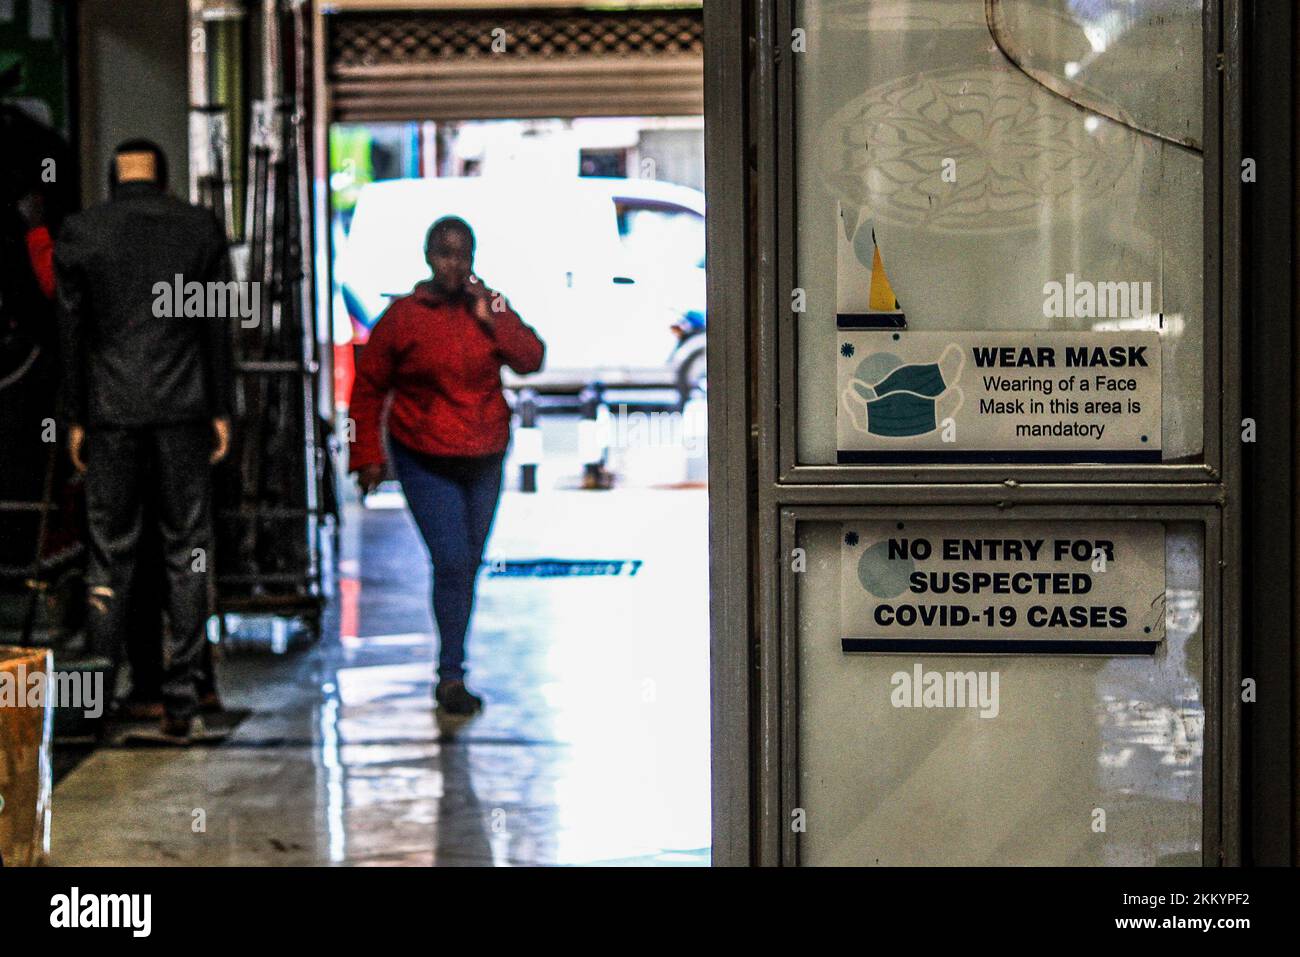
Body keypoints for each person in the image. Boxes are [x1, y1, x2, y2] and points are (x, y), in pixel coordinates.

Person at [54, 140, 234, 742]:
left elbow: (71, 335)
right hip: (183, 410)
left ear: (113, 175)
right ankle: (184, 699)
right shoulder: (198, 228)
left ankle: (99, 700)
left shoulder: (82, 232)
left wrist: (75, 416)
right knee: (188, 551)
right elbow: (217, 327)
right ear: (164, 175)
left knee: (110, 553)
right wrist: (221, 408)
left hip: (110, 414)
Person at [349, 216, 544, 715]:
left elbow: (530, 357)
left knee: (468, 565)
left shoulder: (491, 305)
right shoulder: (404, 317)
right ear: (428, 257)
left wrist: (491, 315)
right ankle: (451, 675)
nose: (454, 264)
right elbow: (368, 388)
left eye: (463, 254)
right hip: (424, 457)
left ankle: (454, 666)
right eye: (444, 254)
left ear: (474, 257)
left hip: (484, 456)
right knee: (453, 560)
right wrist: (367, 456)